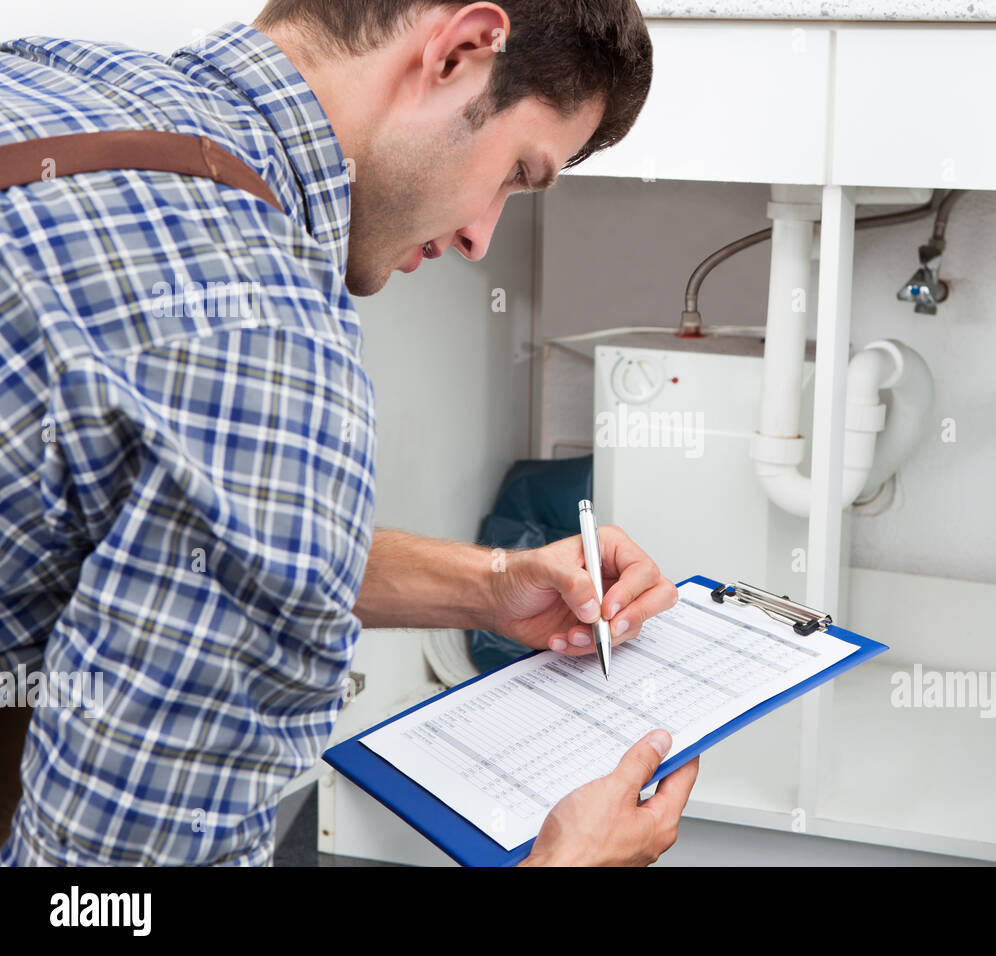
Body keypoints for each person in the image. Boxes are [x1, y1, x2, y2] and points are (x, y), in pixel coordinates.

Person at [0, 0, 699, 866]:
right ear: (459, 52)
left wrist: (489, 583)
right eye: (518, 172)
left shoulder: (50, 78)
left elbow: (157, 518)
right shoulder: (269, 345)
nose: (481, 238)